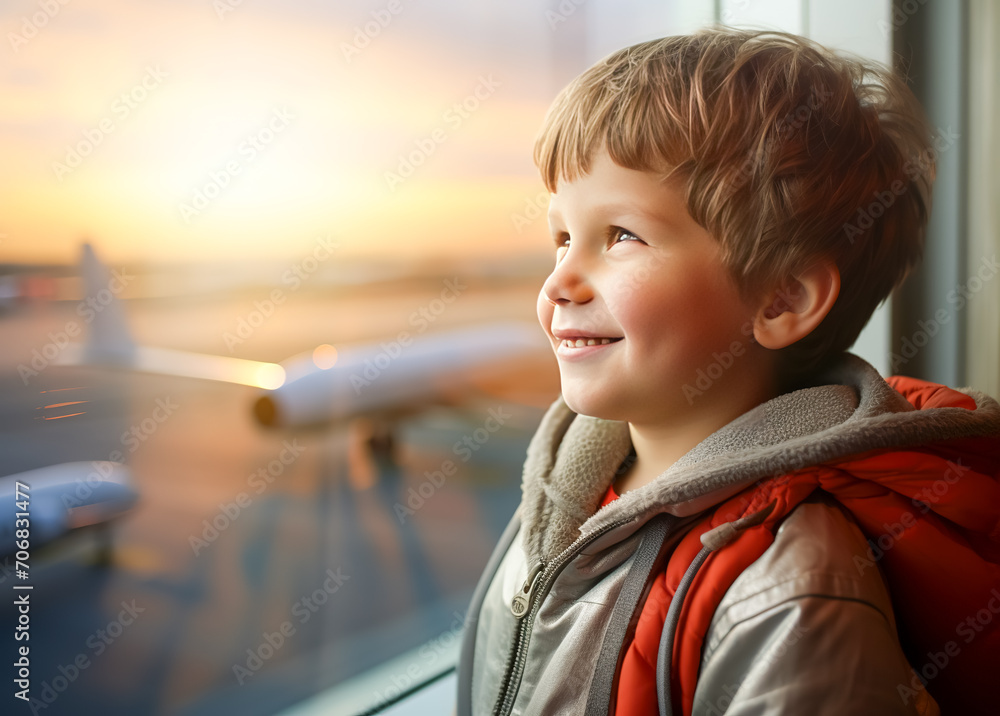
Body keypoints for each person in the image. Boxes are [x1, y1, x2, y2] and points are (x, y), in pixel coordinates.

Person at [455, 26, 1000, 716]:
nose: (560, 281)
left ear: (781, 300)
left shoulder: (790, 591)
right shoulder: (565, 485)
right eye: (562, 236)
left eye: (620, 236)